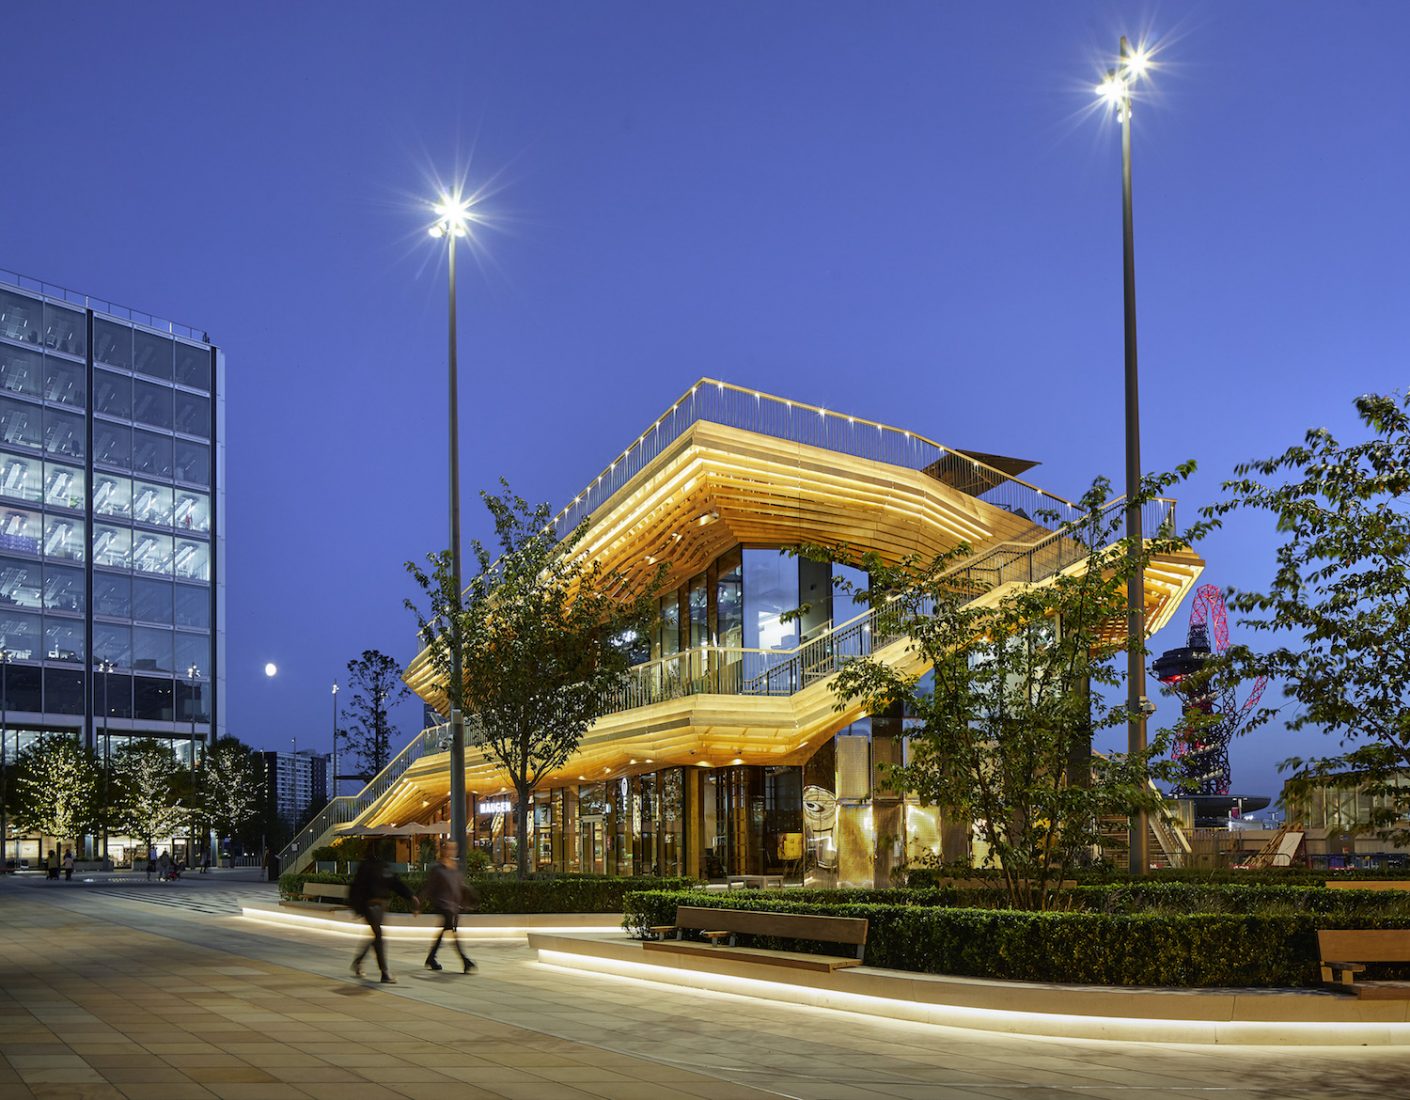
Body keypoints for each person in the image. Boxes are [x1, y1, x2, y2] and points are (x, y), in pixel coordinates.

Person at [349, 847, 418, 983]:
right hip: (370, 905)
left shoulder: (383, 866)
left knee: (376, 936)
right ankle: (384, 972)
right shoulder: (367, 866)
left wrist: (410, 896)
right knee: (378, 935)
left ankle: (358, 961)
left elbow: (395, 883)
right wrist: (358, 908)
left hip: (380, 906)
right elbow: (357, 888)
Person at [423, 843, 476, 974]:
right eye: (448, 848)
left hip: (454, 907)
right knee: (451, 931)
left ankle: (431, 958)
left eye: (453, 848)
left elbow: (461, 887)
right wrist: (418, 902)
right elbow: (429, 887)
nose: (451, 851)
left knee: (445, 931)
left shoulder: (456, 868)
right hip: (442, 905)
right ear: (443, 850)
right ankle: (465, 961)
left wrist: (465, 902)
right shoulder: (437, 869)